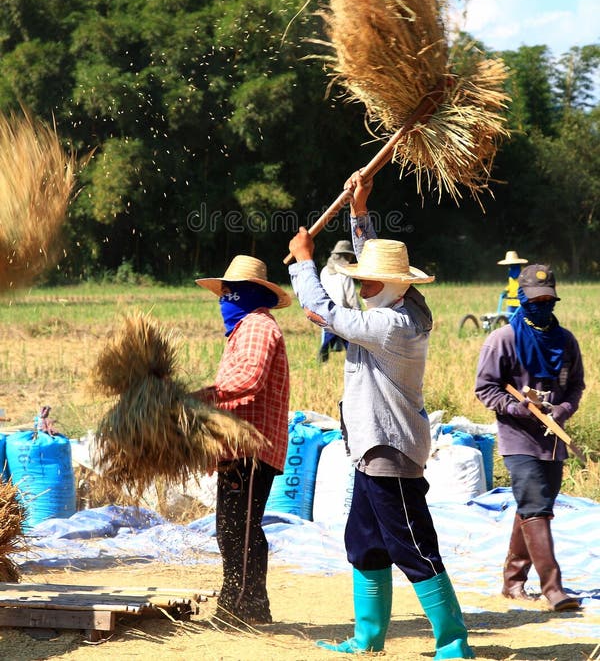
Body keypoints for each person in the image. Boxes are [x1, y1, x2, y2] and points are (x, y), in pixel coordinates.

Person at [288, 171, 473, 660]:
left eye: (367, 281)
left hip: (391, 450)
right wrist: (359, 210)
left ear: (389, 285)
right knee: (365, 542)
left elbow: (324, 309)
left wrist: (304, 262)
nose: (361, 285)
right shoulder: (396, 299)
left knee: (413, 545)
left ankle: (454, 643)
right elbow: (373, 263)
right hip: (370, 448)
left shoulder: (394, 324)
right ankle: (368, 639)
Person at [475, 263, 585, 611]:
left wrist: (562, 411)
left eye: (548, 299)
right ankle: (553, 588)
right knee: (535, 505)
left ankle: (513, 580)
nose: (542, 305)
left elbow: (576, 386)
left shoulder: (565, 341)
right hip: (517, 438)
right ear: (522, 298)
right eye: (535, 299)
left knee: (534, 507)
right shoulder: (503, 339)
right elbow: (486, 388)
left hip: (552, 439)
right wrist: (518, 407)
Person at [192, 254, 291, 626]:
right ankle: (242, 605)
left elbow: (249, 379)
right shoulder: (244, 329)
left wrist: (203, 396)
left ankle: (244, 609)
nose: (223, 300)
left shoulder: (257, 328)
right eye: (224, 293)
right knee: (231, 527)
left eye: (230, 293)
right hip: (237, 449)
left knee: (241, 528)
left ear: (250, 294)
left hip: (252, 449)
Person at [318, 239, 361, 361]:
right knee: (350, 342)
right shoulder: (344, 273)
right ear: (346, 256)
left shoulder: (324, 271)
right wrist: (358, 312)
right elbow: (350, 295)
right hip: (343, 313)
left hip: (326, 311)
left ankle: (322, 362)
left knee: (327, 339)